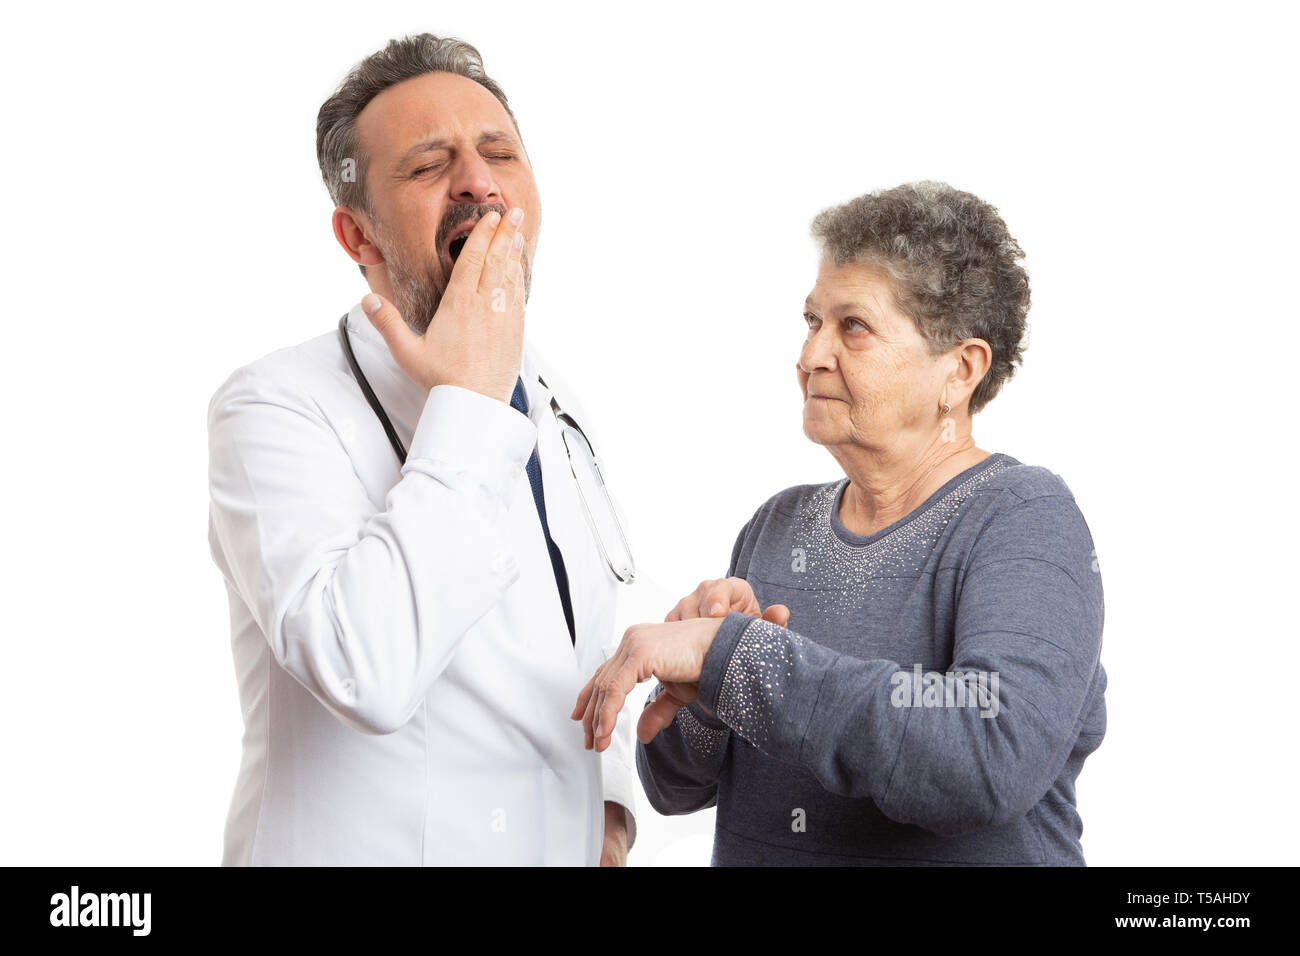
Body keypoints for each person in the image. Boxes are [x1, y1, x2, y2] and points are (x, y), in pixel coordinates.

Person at [574, 181, 1107, 866]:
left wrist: (737, 659)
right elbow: (676, 788)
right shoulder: (779, 526)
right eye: (810, 321)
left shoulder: (1024, 519)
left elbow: (987, 757)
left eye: (852, 326)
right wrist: (704, 700)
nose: (810, 357)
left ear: (960, 370)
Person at [207, 33, 637, 866]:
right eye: (428, 164)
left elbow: (564, 647)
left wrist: (608, 814)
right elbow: (362, 670)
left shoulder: (552, 398)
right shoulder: (271, 408)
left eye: (499, 152)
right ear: (358, 239)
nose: (478, 181)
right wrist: (467, 402)